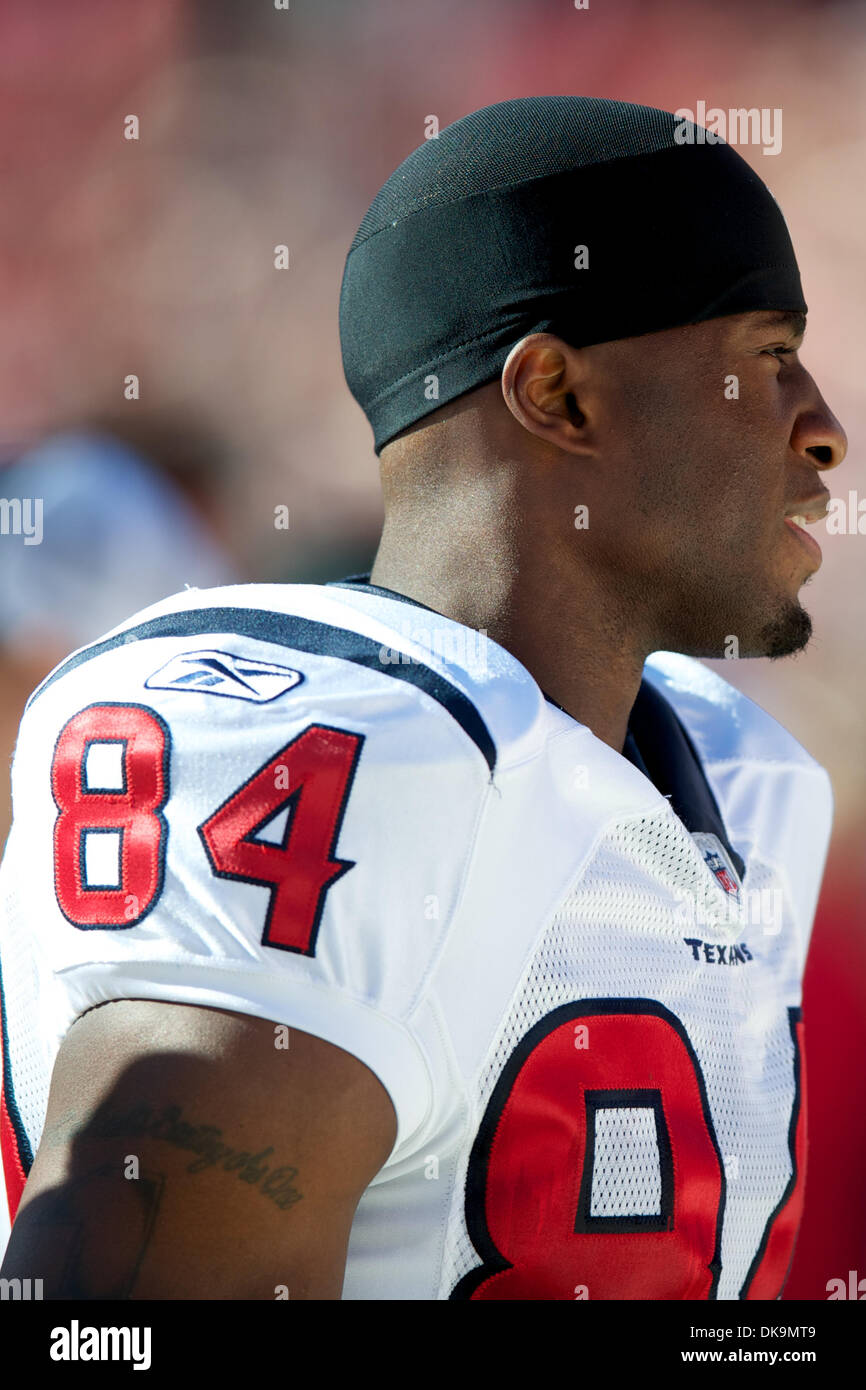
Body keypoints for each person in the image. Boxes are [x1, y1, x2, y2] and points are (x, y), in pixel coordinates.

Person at [0, 96, 846, 1300]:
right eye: (764, 358)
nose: (821, 431)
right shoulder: (328, 753)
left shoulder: (738, 778)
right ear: (555, 394)